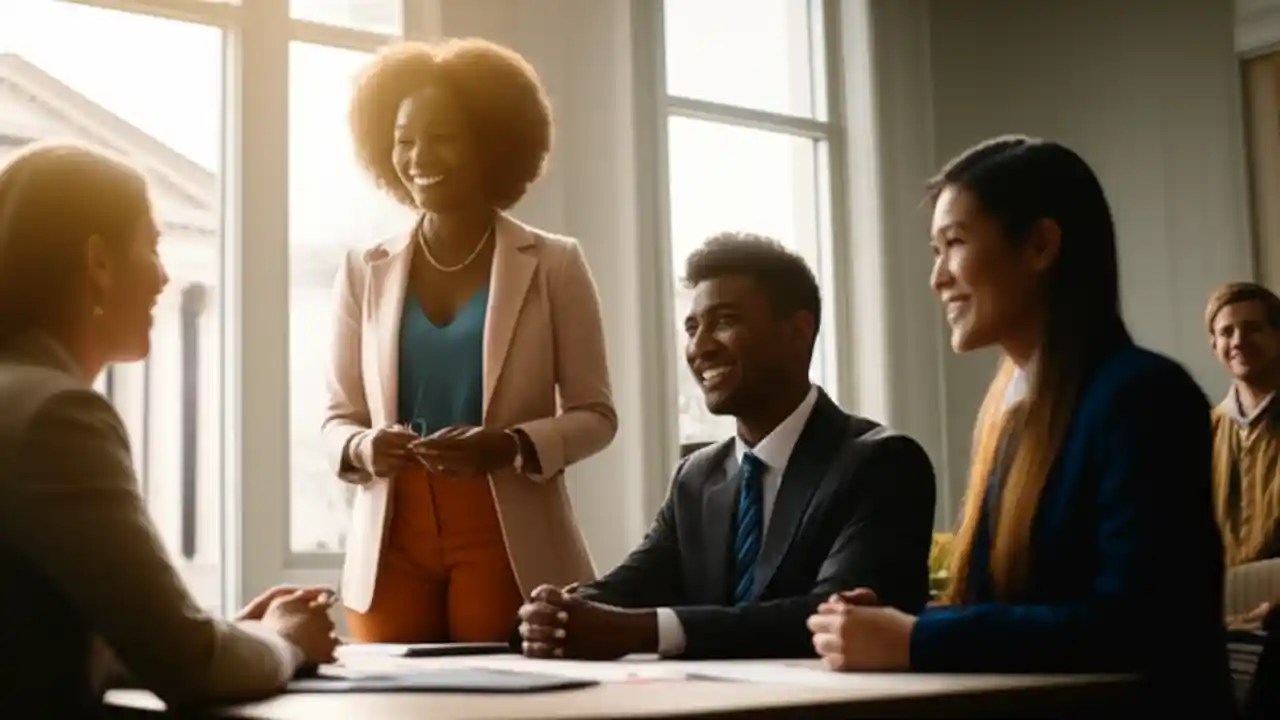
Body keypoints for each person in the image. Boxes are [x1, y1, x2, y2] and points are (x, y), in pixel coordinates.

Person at [807, 136, 1233, 715]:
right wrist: (901, 621)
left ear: (1039, 246)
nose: (937, 277)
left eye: (954, 243)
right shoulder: (1009, 411)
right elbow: (1023, 605)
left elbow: (1139, 623)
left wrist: (914, 638)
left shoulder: (1144, 396)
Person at [0, 141, 338, 717]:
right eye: (151, 245)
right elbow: (189, 667)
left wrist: (226, 638)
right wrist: (286, 641)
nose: (163, 277)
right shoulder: (58, 417)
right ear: (99, 264)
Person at [516, 233, 936, 660]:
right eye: (692, 328)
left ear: (797, 332)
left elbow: (831, 618)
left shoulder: (883, 464)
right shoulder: (696, 476)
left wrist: (642, 631)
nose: (699, 348)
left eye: (724, 321)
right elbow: (632, 585)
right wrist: (557, 611)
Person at [324, 38, 617, 644]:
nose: (418, 156)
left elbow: (596, 416)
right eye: (404, 139)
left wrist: (510, 446)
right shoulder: (363, 268)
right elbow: (337, 419)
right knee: (393, 707)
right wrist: (364, 447)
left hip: (506, 534)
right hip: (390, 540)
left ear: (491, 140)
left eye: (443, 136)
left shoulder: (555, 264)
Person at [1205, 283, 1280, 571]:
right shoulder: (1204, 431)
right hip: (1224, 602)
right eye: (1227, 332)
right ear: (1214, 346)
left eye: (1253, 328)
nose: (1239, 341)